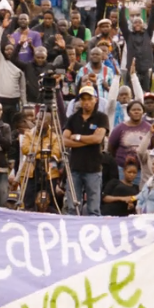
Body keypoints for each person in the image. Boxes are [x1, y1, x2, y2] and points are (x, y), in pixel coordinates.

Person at [63, 86, 109, 215]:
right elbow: (64, 141)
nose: (86, 102)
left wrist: (77, 137)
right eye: (83, 99)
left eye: (89, 99)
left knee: (93, 208)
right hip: (75, 167)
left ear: (95, 99)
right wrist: (89, 140)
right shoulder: (73, 118)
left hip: (93, 168)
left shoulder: (101, 118)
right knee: (72, 207)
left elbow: (98, 139)